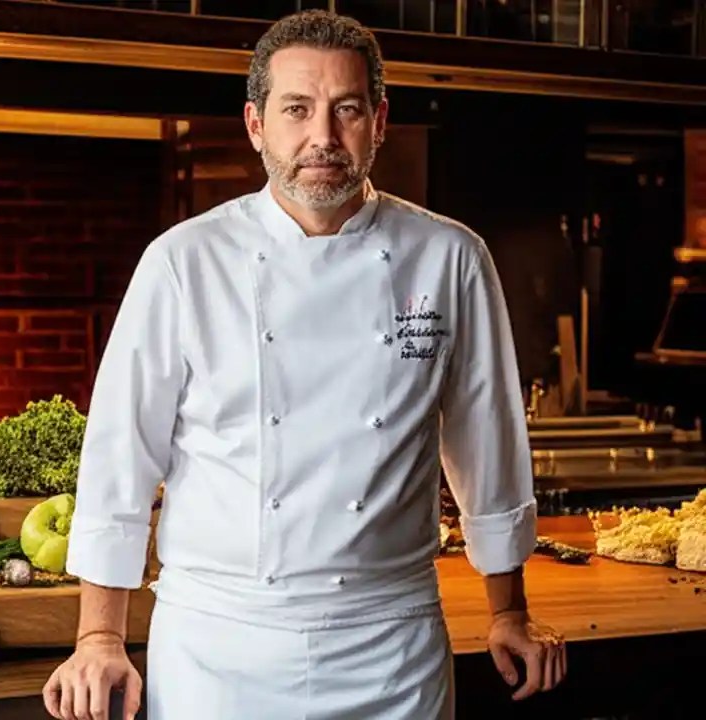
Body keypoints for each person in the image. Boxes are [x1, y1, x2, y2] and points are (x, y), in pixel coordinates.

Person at [42, 9, 567, 720]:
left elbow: (488, 441)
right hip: (218, 647)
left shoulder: (450, 257)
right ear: (256, 124)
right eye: (297, 109)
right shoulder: (183, 262)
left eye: (346, 109)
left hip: (391, 644)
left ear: (379, 122)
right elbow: (119, 457)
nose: (323, 136)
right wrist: (99, 637)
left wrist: (509, 612)